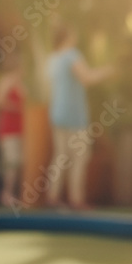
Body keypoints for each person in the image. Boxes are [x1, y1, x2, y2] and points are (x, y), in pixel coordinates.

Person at [45, 23, 114, 210]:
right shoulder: (72, 55)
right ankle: (76, 199)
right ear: (67, 36)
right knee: (80, 156)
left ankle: (52, 197)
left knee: (60, 155)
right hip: (74, 114)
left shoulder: (52, 59)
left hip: (57, 113)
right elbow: (87, 78)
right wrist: (108, 70)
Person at [0, 52, 26, 206]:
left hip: (23, 129)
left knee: (20, 162)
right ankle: (6, 194)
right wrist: (17, 108)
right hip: (9, 128)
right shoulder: (7, 80)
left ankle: (18, 195)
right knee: (11, 162)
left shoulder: (23, 83)